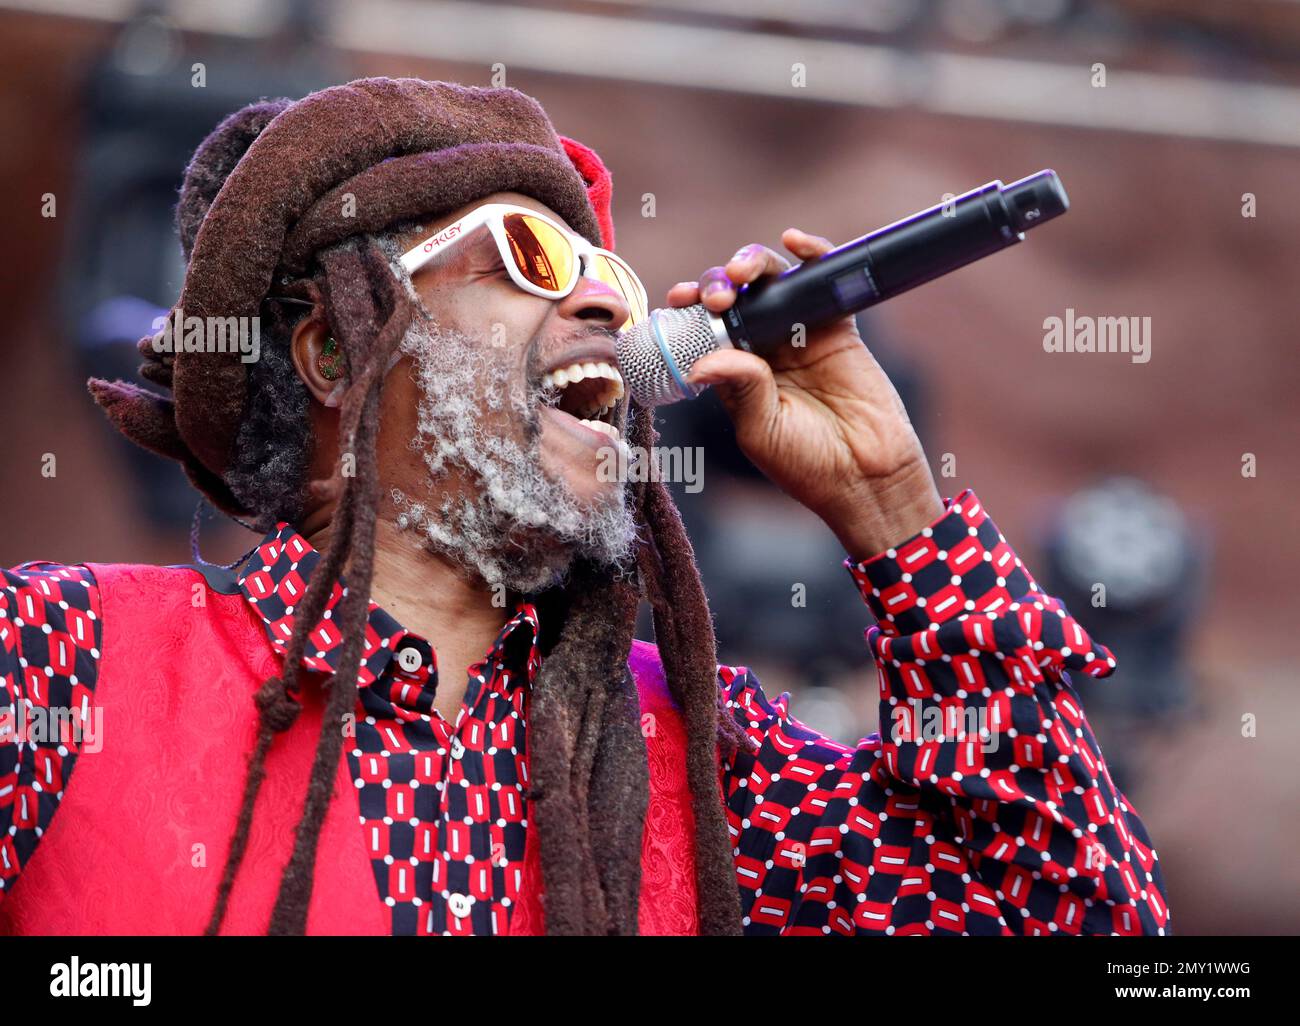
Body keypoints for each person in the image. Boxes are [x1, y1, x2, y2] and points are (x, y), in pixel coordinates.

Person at [0, 77, 1169, 936]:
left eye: (607, 280)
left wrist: (891, 509)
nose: (605, 309)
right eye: (525, 259)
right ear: (330, 350)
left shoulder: (706, 760)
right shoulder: (57, 663)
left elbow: (1080, 922)